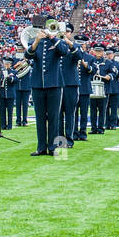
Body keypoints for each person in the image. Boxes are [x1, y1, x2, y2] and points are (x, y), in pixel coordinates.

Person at [27, 18, 70, 156]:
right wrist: (36, 40)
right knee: (40, 117)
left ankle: (53, 147)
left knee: (54, 117)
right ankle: (41, 147)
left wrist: (53, 37)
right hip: (38, 84)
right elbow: (27, 55)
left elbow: (64, 51)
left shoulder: (58, 41)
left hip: (55, 84)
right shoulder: (36, 41)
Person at [0, 54, 19, 131]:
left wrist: (9, 78)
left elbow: (16, 80)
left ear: (10, 64)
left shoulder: (13, 72)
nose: (6, 65)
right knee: (2, 111)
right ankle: (3, 125)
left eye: (8, 63)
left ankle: (9, 125)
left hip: (10, 94)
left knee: (10, 111)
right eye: (5, 63)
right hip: (2, 94)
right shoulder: (1, 71)